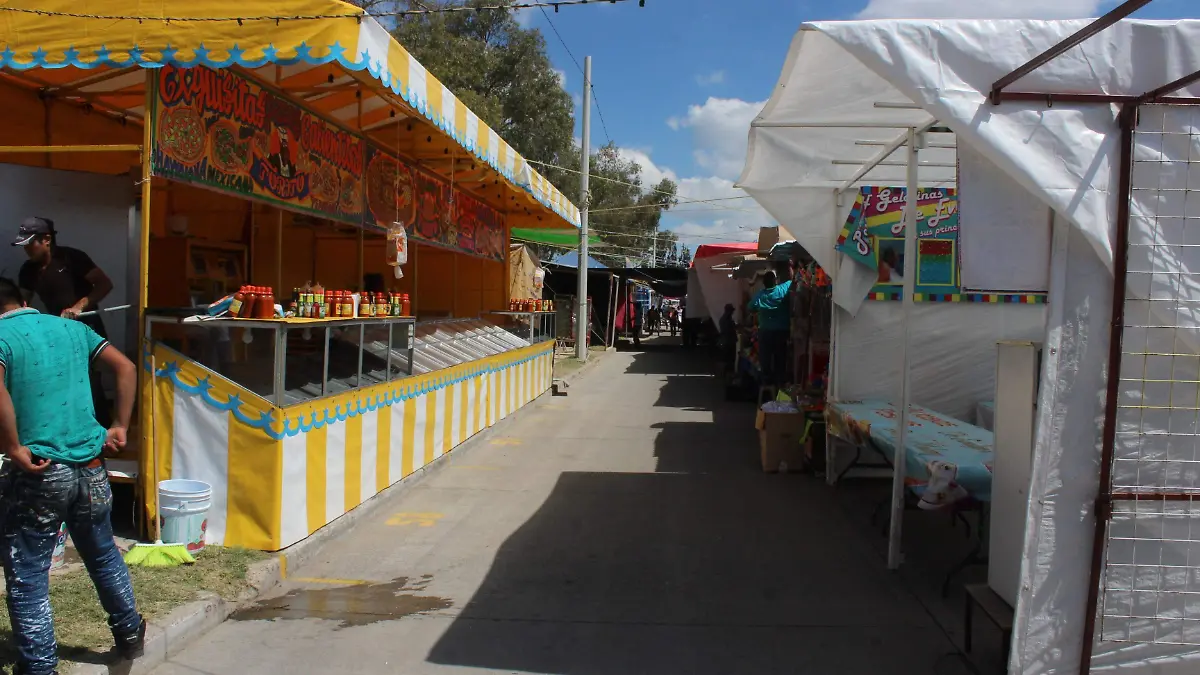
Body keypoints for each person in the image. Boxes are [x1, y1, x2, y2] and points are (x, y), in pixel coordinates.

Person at [0, 277, 144, 675]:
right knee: (101, 552)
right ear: (25, 299)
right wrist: (120, 425)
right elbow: (126, 367)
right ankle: (130, 633)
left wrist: (13, 447)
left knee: (27, 571)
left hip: (41, 470)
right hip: (92, 464)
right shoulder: (73, 328)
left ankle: (39, 666)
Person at [14, 217, 115, 427]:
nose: (27, 250)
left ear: (47, 240)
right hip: (58, 331)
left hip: (87, 326)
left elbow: (104, 284)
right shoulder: (28, 270)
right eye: (24, 246)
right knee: (62, 380)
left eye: (30, 244)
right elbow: (22, 303)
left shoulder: (71, 258)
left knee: (89, 380)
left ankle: (104, 432)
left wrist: (79, 307)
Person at [749, 269, 793, 386]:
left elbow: (750, 307)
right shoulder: (782, 290)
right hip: (781, 332)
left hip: (766, 332)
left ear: (763, 283)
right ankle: (779, 383)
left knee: (765, 359)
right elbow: (791, 281)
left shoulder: (760, 295)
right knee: (780, 357)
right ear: (775, 281)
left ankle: (766, 382)